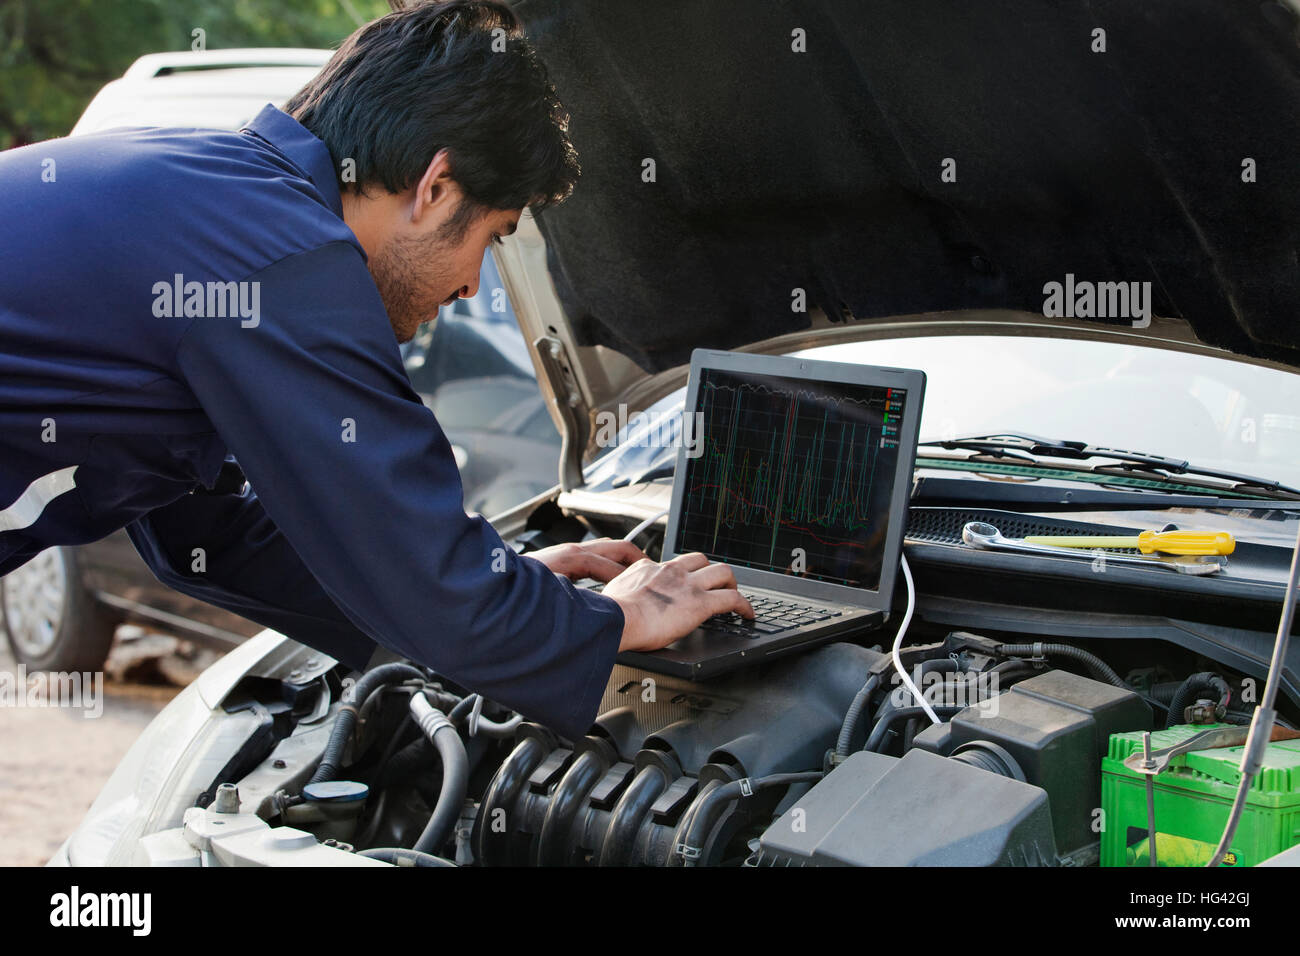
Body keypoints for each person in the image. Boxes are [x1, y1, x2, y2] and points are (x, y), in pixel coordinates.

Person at [0, 0, 751, 739]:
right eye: (491, 239)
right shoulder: (283, 256)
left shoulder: (221, 203)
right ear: (434, 188)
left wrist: (511, 593)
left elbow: (218, 540)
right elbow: (431, 586)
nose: (469, 287)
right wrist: (618, 615)